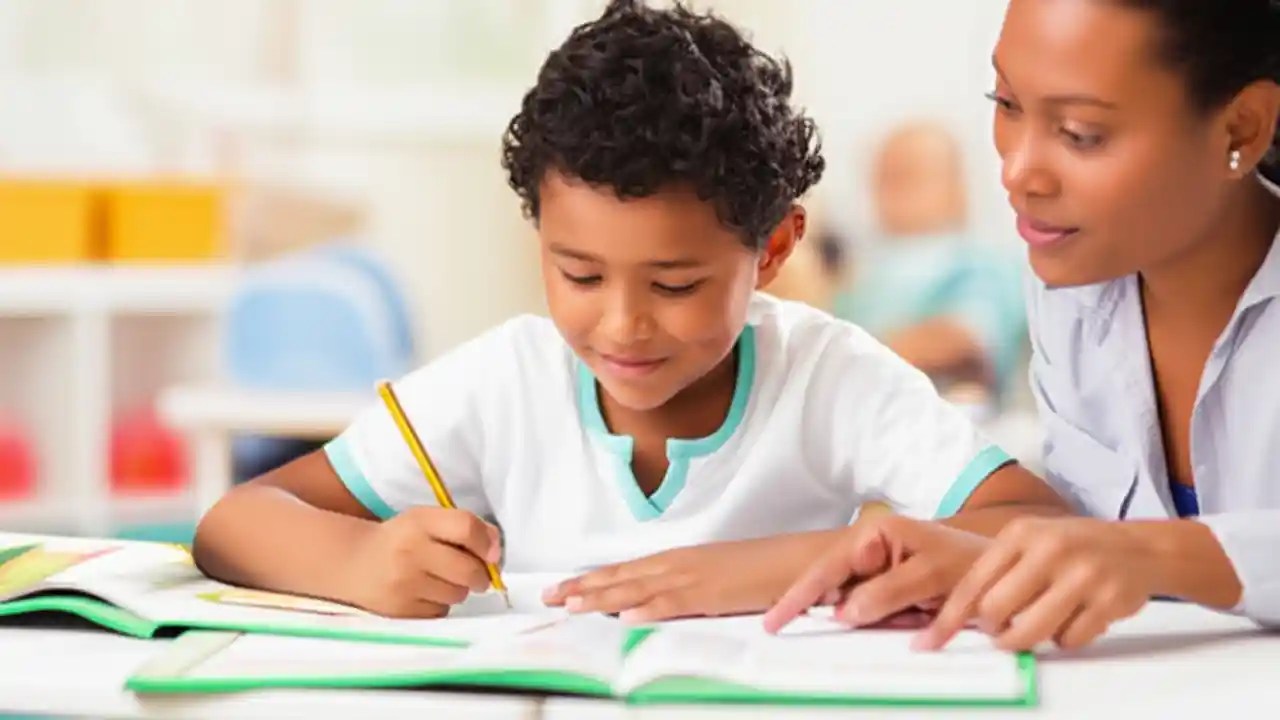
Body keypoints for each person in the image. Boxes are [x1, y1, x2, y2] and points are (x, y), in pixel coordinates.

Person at [191, 0, 1068, 621]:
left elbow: (1042, 526)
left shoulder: (829, 374)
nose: (620, 327)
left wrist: (776, 567)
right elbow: (235, 522)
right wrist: (355, 561)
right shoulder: (506, 379)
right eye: (578, 275)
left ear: (772, 249)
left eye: (675, 285)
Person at [766, 0, 1280, 651]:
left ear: (1240, 128)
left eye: (1081, 133)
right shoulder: (1068, 280)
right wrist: (969, 550)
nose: (1015, 172)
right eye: (1006, 103)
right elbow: (1082, 536)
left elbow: (1133, 554)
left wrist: (1158, 553)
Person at [836, 122, 1025, 402]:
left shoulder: (975, 263)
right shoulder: (860, 277)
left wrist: (858, 360)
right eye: (884, 179)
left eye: (909, 176)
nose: (893, 194)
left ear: (956, 188)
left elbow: (964, 341)